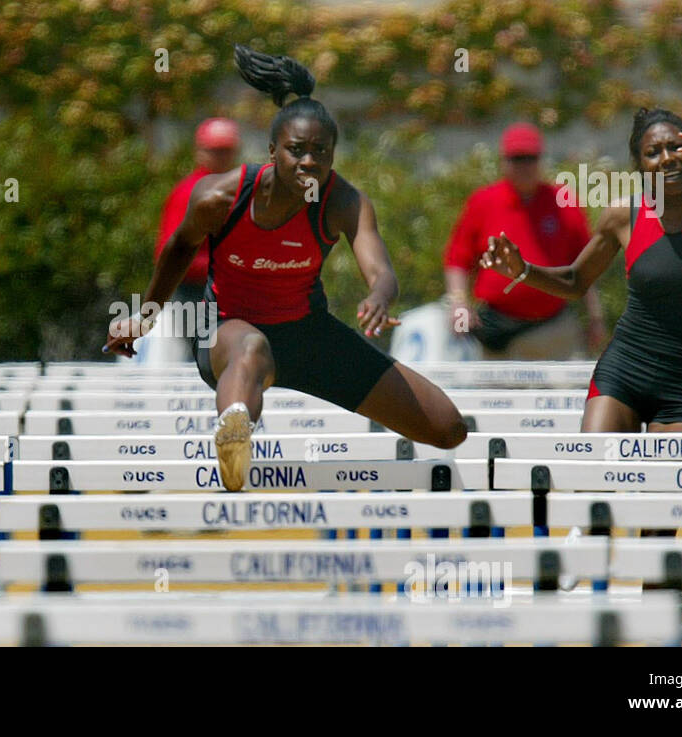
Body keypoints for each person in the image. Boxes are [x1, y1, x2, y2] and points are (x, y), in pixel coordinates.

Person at [104, 45, 468, 491]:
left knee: (447, 428)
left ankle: (239, 421)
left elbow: (380, 268)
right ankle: (235, 435)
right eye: (298, 150)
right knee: (252, 347)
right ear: (272, 149)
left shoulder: (340, 201)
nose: (310, 161)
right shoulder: (220, 197)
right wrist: (143, 318)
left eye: (322, 151)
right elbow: (179, 249)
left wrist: (378, 295)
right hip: (228, 329)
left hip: (308, 335)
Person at [482, 108, 682, 435]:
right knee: (594, 471)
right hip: (624, 370)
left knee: (668, 480)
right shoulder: (624, 215)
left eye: (675, 146)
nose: (666, 158)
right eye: (652, 152)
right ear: (641, 166)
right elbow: (575, 281)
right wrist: (523, 270)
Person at [444, 122, 607, 359]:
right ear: (503, 161)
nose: (524, 166)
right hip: (497, 330)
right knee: (493, 395)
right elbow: (458, 259)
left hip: (553, 327)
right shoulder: (483, 201)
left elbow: (585, 264)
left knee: (565, 393)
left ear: (540, 160)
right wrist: (459, 304)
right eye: (516, 159)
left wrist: (595, 317)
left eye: (530, 158)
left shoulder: (563, 202)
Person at [147, 118, 242, 361]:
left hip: (228, 293)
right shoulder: (190, 192)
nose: (221, 157)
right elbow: (169, 254)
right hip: (192, 293)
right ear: (199, 151)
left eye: (226, 150)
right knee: (199, 362)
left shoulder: (241, 190)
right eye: (215, 150)